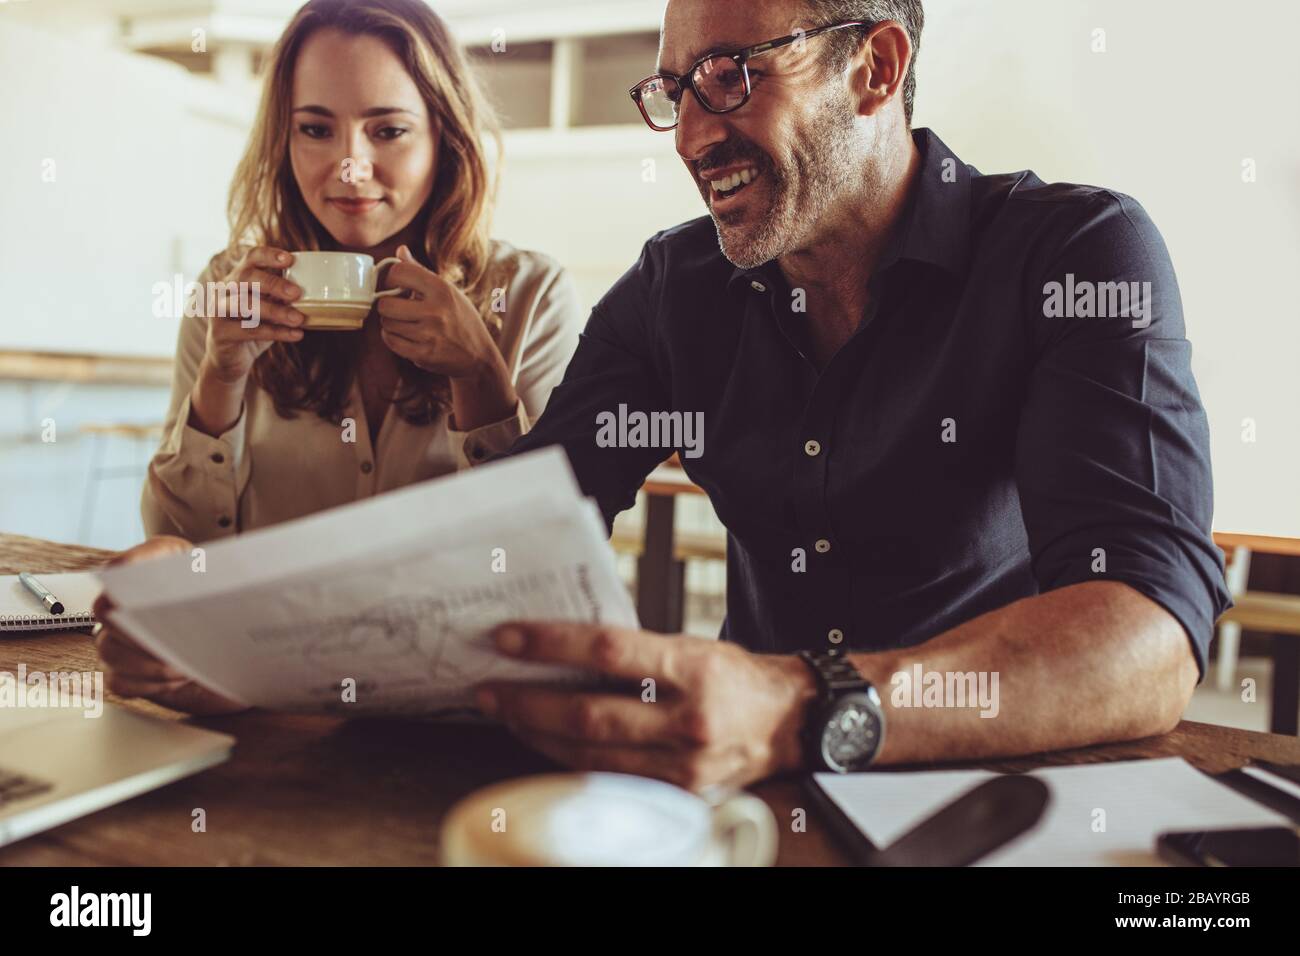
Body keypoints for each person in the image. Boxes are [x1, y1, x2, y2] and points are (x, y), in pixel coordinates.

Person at [101, 0, 1231, 793]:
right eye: (675, 90)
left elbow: (1146, 629)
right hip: (751, 794)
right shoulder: (672, 288)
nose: (693, 134)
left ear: (874, 67)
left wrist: (798, 704)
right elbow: (514, 528)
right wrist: (222, 619)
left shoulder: (1075, 250)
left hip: (1006, 794)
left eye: (734, 74)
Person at [140, 0, 582, 542]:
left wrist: (479, 376)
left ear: (443, 137)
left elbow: (543, 549)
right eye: (316, 129)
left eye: (389, 130)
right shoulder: (227, 290)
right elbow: (174, 543)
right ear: (285, 138)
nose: (351, 168)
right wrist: (221, 380)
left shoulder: (529, 296)